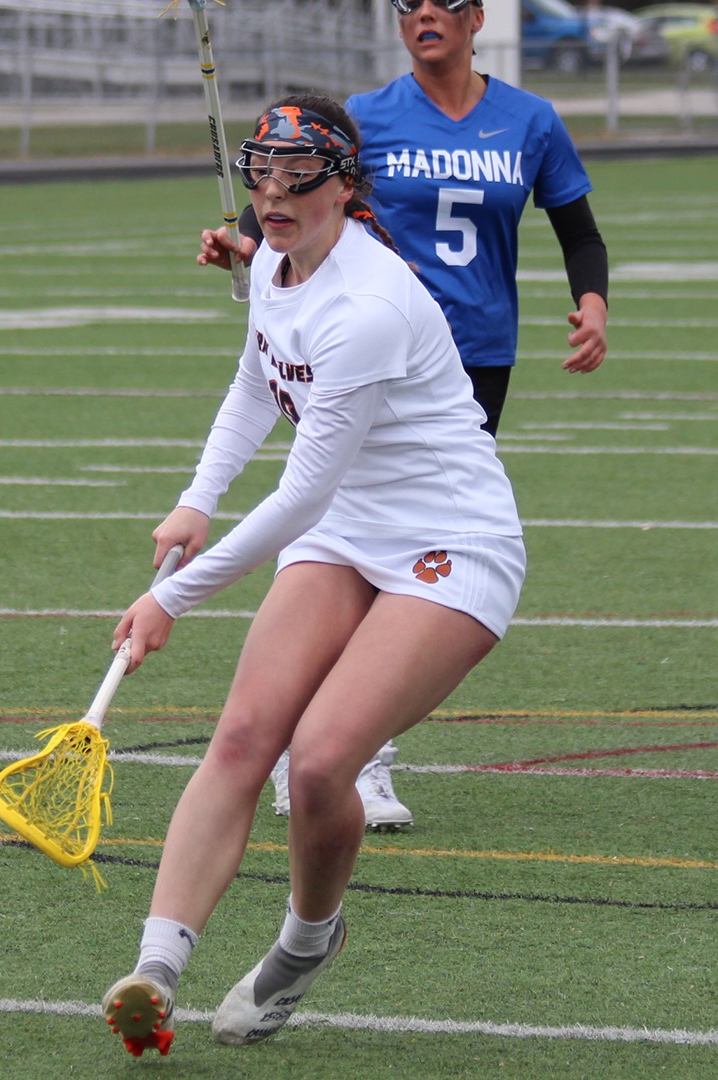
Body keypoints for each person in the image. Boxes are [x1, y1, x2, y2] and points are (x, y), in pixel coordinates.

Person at [101, 95, 524, 1057]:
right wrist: (196, 500)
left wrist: (173, 596)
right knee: (248, 731)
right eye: (261, 172)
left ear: (345, 185)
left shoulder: (367, 306)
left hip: (452, 541)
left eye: (299, 175)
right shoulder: (276, 266)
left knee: (325, 757)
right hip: (348, 530)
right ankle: (156, 970)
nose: (273, 193)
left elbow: (298, 495)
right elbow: (255, 380)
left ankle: (305, 942)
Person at [199, 0, 608, 831]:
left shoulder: (530, 119)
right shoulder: (372, 116)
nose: (426, 14)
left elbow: (577, 227)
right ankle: (343, 760)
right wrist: (244, 239)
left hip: (465, 357)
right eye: (409, 4)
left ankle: (344, 746)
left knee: (415, 539)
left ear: (477, 17)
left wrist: (592, 303)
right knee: (337, 530)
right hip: (356, 348)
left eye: (444, 3)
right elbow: (292, 186)